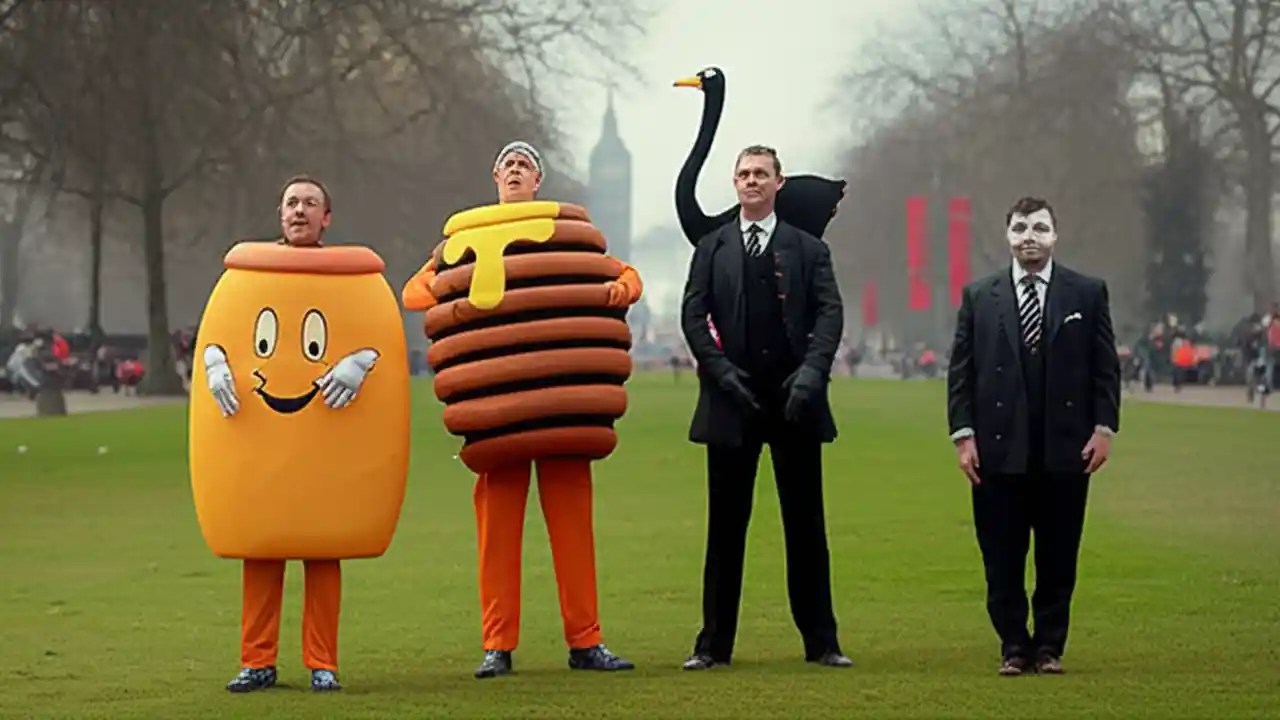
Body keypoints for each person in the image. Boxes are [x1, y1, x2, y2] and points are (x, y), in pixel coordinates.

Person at [402, 141, 640, 678]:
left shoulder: (563, 236)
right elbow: (414, 293)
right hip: (498, 414)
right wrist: (451, 288)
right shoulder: (464, 243)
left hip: (560, 407)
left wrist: (621, 287)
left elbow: (626, 275)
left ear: (537, 181)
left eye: (524, 165)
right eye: (507, 164)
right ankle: (497, 645)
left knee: (573, 529)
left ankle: (586, 641)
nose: (514, 170)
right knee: (497, 535)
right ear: (495, 178)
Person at [678, 144, 851, 670]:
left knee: (806, 525)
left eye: (761, 174)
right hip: (732, 402)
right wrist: (721, 372)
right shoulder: (711, 248)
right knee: (725, 529)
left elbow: (830, 313)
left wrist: (812, 374)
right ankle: (713, 645)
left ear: (779, 183)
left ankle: (822, 642)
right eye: (744, 174)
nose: (751, 181)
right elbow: (693, 316)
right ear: (735, 184)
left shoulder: (810, 249)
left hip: (794, 400)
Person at [946, 196, 1121, 676]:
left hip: (1066, 447)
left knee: (1058, 554)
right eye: (1021, 228)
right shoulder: (979, 297)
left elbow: (1105, 368)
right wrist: (963, 436)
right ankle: (1013, 645)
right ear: (1007, 235)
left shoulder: (1087, 294)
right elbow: (961, 372)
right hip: (997, 449)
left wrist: (1104, 428)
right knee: (1001, 555)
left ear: (1054, 235)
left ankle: (1048, 646)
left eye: (1040, 228)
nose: (1030, 237)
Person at [223, 175, 346, 693]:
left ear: (326, 218)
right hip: (265, 439)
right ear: (280, 213)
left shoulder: (345, 280)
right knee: (263, 545)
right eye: (292, 202)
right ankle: (258, 660)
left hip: (323, 437)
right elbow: (224, 332)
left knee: (322, 547)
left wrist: (361, 360)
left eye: (310, 203)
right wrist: (214, 363)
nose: (299, 211)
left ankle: (323, 661)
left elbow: (370, 333)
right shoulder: (252, 274)